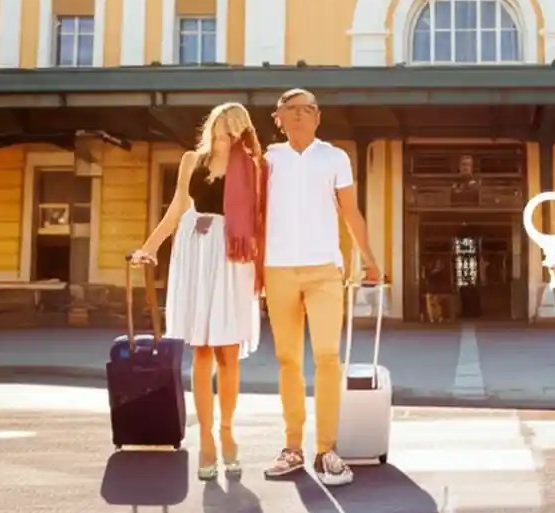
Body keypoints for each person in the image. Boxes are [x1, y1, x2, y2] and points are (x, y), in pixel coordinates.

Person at [129, 102, 267, 482]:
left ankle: (227, 432)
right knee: (201, 351)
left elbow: (260, 218)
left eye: (235, 130)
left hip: (231, 257)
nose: (227, 136)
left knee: (228, 352)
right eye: (223, 128)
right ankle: (205, 437)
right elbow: (176, 210)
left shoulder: (253, 167)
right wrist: (150, 247)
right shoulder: (191, 160)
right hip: (195, 253)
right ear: (213, 126)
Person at [261, 88, 382, 487]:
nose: (300, 115)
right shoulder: (267, 159)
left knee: (328, 357)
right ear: (277, 116)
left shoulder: (334, 157)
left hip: (325, 270)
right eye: (291, 109)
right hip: (277, 268)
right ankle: (292, 448)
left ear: (318, 117)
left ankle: (326, 450)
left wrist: (368, 258)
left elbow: (350, 211)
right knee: (288, 359)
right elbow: (251, 212)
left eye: (308, 109)